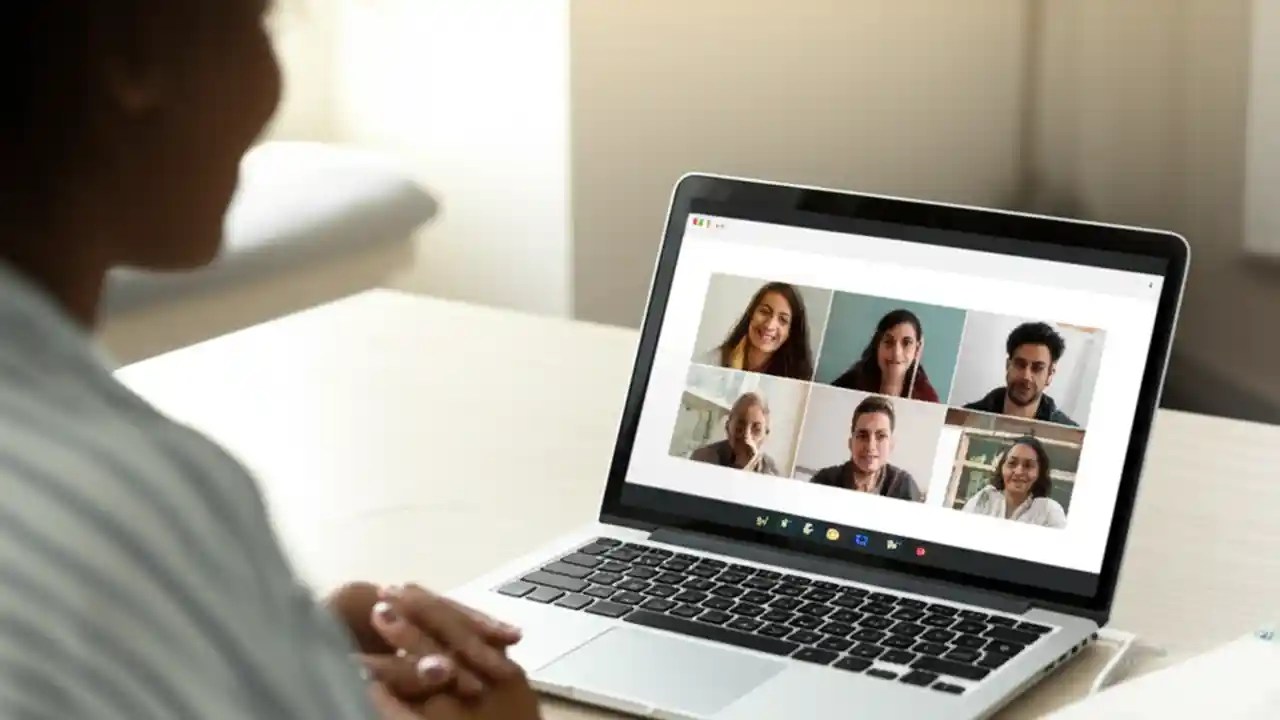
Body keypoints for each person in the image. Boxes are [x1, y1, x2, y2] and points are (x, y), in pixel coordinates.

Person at [2, 2, 538, 718]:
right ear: (134, 58)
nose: (270, 89)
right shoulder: (144, 504)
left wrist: (259, 650)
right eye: (260, 25)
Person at [809, 396, 923, 501]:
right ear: (850, 443)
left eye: (881, 436)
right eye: (862, 436)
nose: (870, 446)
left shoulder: (905, 487)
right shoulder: (824, 481)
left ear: (891, 445)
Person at [964, 322, 1079, 426]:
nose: (1026, 376)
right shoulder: (965, 417)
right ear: (1008, 366)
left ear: (1050, 375)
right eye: (1020, 364)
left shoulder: (1069, 433)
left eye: (1037, 368)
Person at [699, 281, 815, 380]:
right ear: (751, 314)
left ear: (791, 331)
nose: (769, 325)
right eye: (764, 312)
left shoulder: (795, 380)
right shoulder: (713, 362)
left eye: (782, 320)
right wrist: (732, 372)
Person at [830, 309, 940, 402]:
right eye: (888, 342)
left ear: (917, 350)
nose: (896, 353)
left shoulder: (928, 399)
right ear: (877, 345)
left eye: (906, 343)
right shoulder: (847, 386)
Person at [961, 436, 1067, 528]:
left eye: (1028, 465)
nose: (1019, 472)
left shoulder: (1050, 511)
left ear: (1039, 472)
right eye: (1012, 463)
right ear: (1002, 468)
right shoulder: (984, 498)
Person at [689, 392, 781, 475]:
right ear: (727, 426)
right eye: (739, 427)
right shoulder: (703, 458)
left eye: (756, 429)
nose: (746, 436)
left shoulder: (770, 472)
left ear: (765, 435)